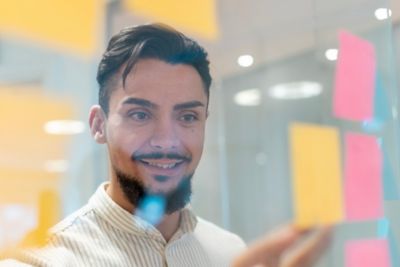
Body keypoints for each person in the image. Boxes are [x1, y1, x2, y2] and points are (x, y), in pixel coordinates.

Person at [1, 23, 331, 267]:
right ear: (99, 125)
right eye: (140, 114)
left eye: (187, 117)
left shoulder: (230, 251)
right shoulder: (40, 262)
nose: (166, 140)